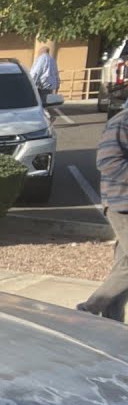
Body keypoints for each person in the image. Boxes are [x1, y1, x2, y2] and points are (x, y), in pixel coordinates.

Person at [78, 108, 128, 321]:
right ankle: (88, 310)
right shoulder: (122, 122)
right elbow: (108, 161)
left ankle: (111, 321)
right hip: (122, 204)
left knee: (123, 267)